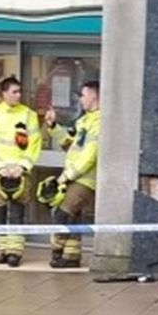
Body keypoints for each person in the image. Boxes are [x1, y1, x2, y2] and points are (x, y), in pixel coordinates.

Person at [0, 76, 41, 267]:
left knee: (17, 211)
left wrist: (21, 166)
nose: (18, 95)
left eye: (19, 91)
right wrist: (0, 167)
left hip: (20, 171)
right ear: (4, 93)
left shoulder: (29, 115)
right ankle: (3, 249)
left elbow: (35, 144)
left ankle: (15, 252)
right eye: (14, 92)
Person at [43, 80, 100, 268]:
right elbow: (70, 144)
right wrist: (53, 127)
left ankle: (57, 253)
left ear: (94, 96)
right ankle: (71, 257)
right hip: (76, 176)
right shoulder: (85, 120)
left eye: (83, 95)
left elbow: (90, 156)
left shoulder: (99, 122)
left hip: (84, 179)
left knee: (62, 213)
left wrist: (68, 176)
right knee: (73, 216)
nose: (81, 100)